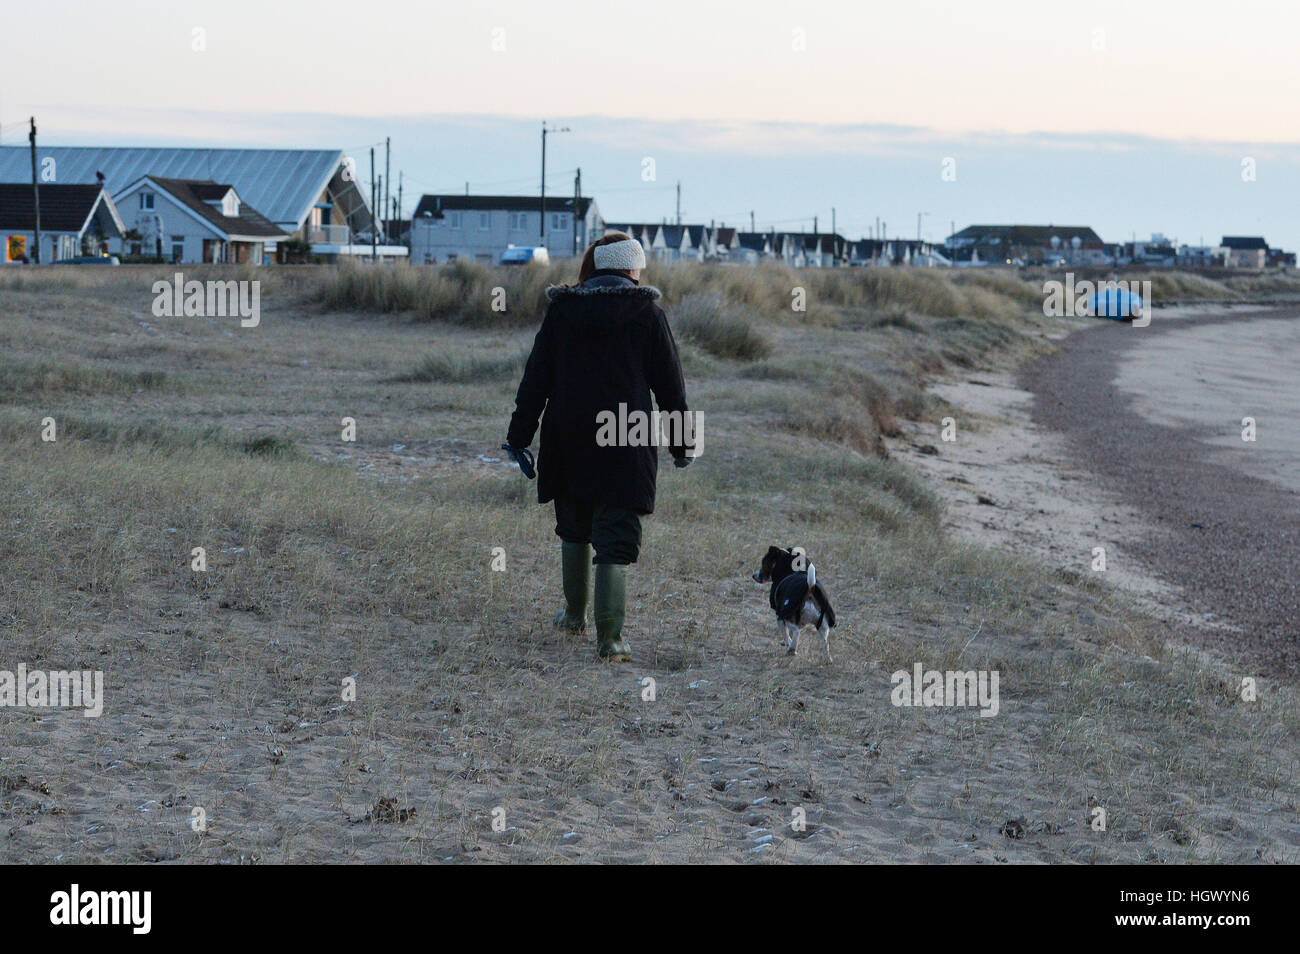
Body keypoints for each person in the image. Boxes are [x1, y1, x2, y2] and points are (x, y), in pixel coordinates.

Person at [504, 232, 693, 661]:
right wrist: (683, 445)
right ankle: (610, 640)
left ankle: (574, 616)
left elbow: (535, 380)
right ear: (631, 269)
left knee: (574, 527)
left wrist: (518, 436)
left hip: (567, 433)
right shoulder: (647, 314)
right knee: (616, 537)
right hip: (627, 435)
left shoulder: (562, 312)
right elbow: (671, 390)